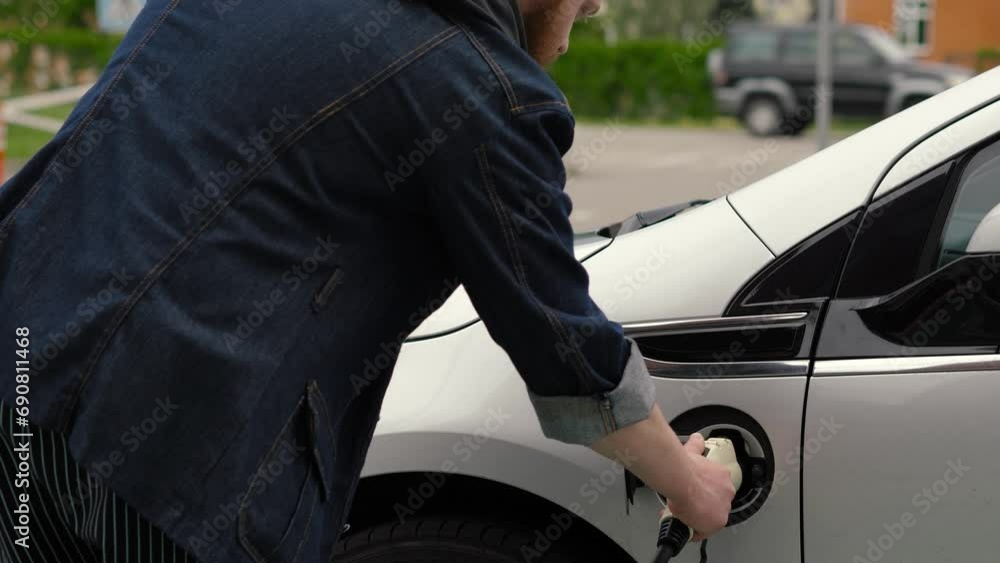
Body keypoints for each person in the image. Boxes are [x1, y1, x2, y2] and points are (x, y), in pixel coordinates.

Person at [0, 0, 736, 561]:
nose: (599, 7)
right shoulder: (486, 94)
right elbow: (564, 346)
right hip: (174, 473)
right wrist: (688, 481)